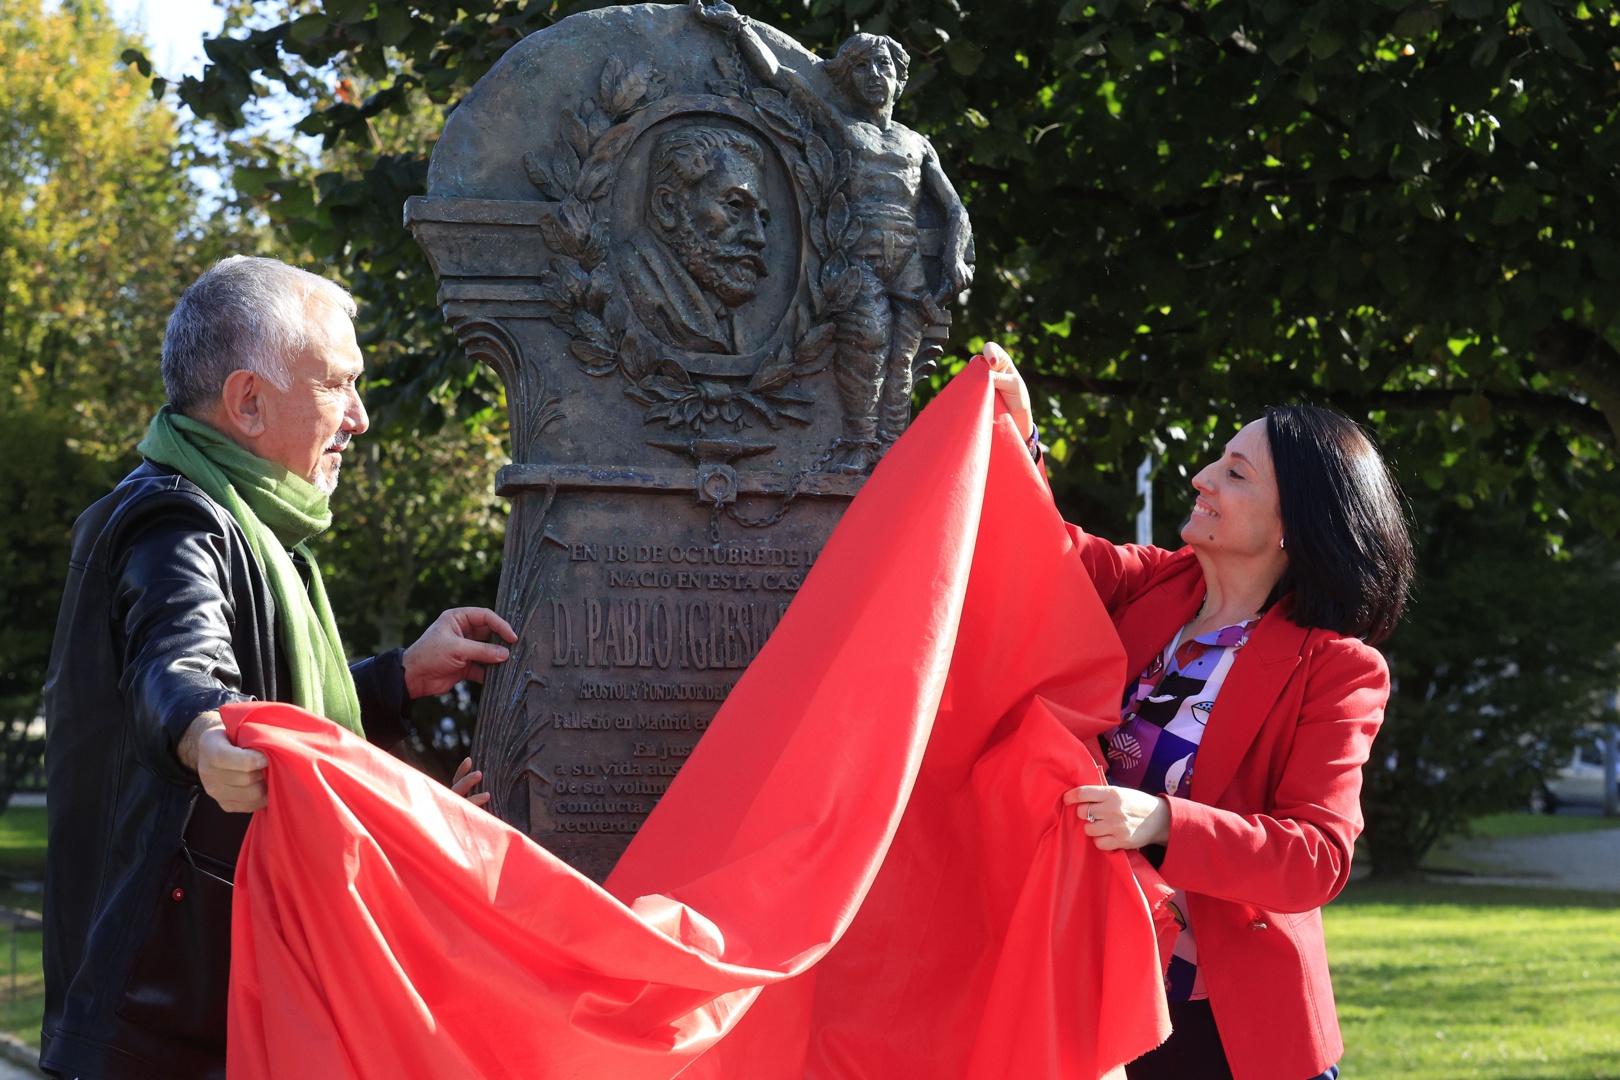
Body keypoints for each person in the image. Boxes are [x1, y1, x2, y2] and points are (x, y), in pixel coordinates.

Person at [39, 256, 517, 1080]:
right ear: (248, 401)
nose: (360, 419)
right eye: (339, 385)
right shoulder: (174, 520)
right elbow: (178, 666)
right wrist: (204, 732)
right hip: (162, 1034)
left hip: (205, 1015)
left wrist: (395, 678)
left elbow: (273, 698)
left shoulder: (243, 520)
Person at [985, 343, 1413, 1080]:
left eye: (1235, 473)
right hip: (1092, 987)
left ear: (1294, 527)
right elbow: (1043, 551)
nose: (1202, 477)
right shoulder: (1156, 585)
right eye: (1218, 460)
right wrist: (1018, 436)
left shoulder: (1339, 670)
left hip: (1223, 1024)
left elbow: (1318, 856)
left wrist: (1161, 823)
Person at [691, 0, 974, 470]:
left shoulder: (916, 143)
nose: (872, 76)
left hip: (905, 260)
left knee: (903, 359)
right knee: (866, 342)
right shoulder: (842, 126)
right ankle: (859, 443)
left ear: (898, 79)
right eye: (860, 67)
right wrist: (738, 27)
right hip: (857, 255)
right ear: (846, 78)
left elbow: (952, 206)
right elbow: (783, 77)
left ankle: (888, 451)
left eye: (882, 66)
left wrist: (956, 257)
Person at [624, 125, 772, 354]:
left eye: (762, 219)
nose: (758, 237)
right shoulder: (632, 282)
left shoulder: (731, 321)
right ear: (666, 205)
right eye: (734, 205)